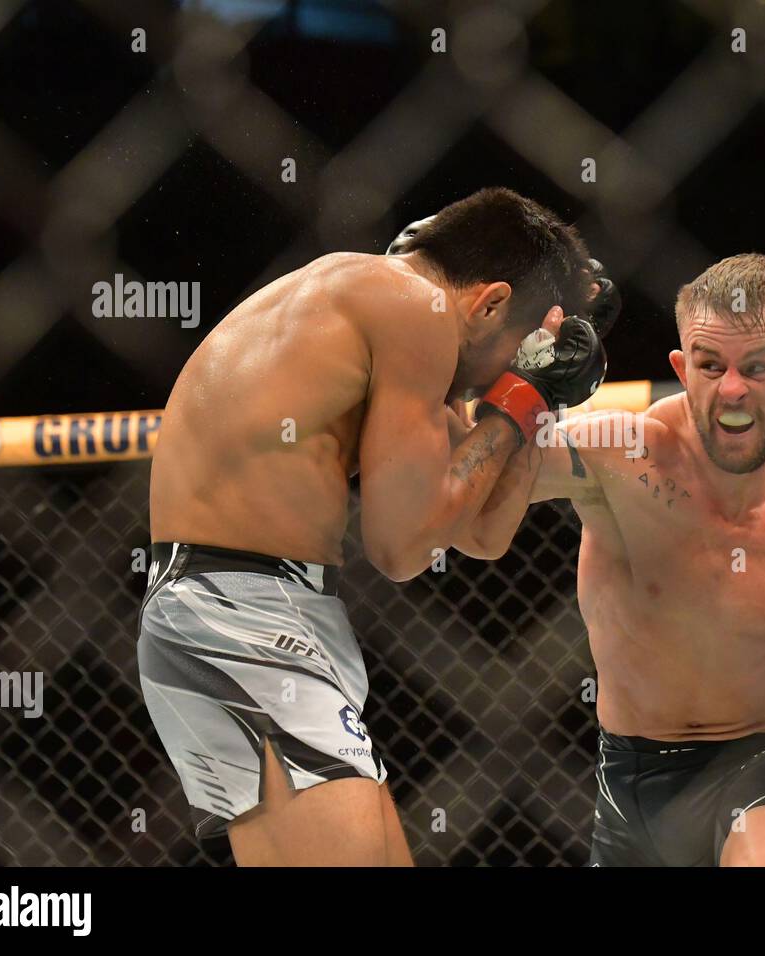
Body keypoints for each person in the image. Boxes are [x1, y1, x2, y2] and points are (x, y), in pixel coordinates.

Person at [138, 187, 609, 865]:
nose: (492, 383)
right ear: (491, 302)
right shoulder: (407, 306)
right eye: (513, 354)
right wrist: (517, 401)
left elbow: (479, 531)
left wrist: (534, 401)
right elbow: (402, 547)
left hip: (259, 609)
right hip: (238, 611)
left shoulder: (391, 314)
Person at [456, 253, 765, 866]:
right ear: (681, 368)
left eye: (759, 367)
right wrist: (520, 378)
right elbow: (464, 483)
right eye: (710, 365)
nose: (732, 389)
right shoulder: (619, 453)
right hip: (632, 773)